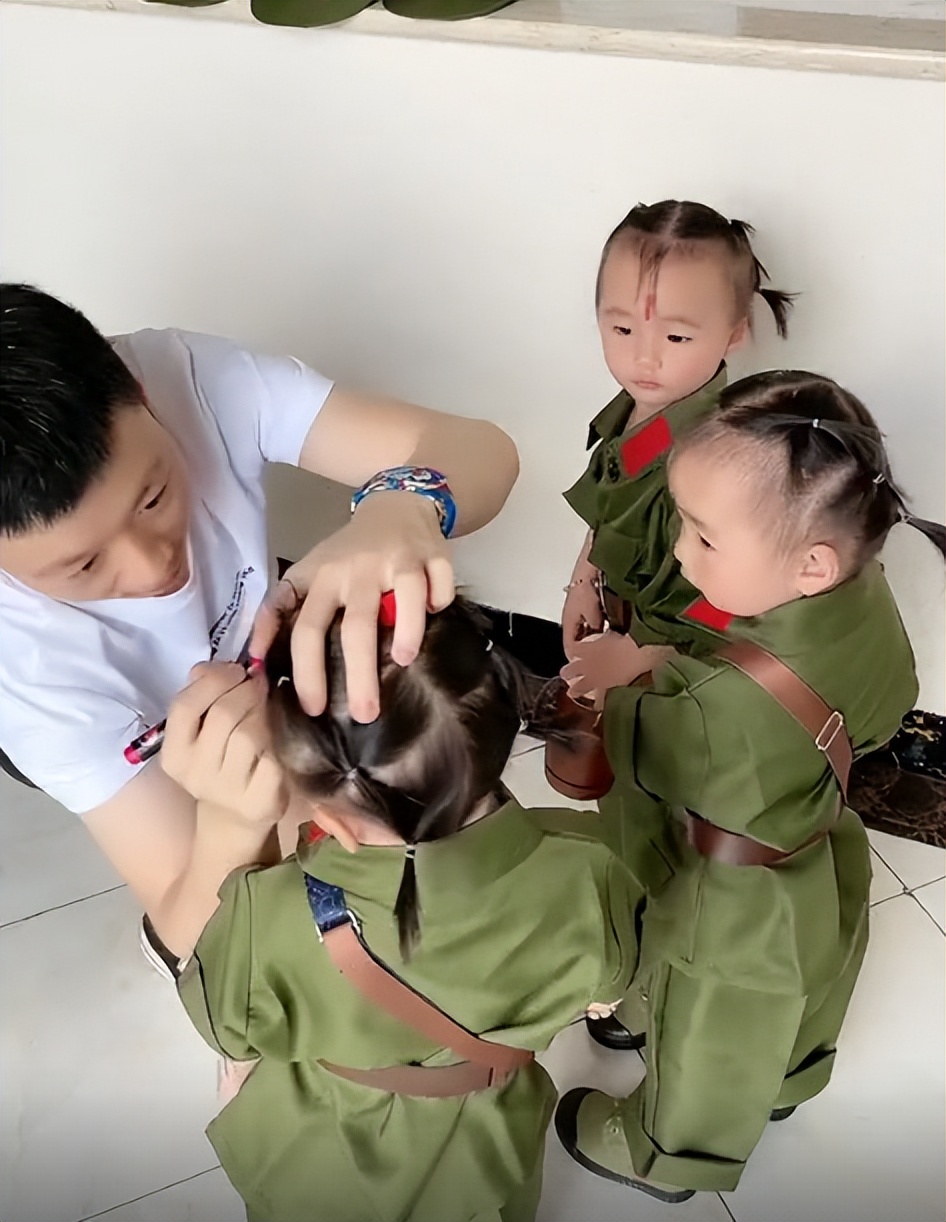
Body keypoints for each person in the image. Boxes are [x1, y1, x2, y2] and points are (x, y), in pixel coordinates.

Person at [0, 283, 519, 961]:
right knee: (250, 894)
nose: (155, 567)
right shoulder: (27, 675)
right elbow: (192, 940)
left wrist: (404, 505)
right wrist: (229, 827)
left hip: (247, 663)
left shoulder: (189, 379)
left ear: (140, 391)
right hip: (118, 727)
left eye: (153, 497)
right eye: (85, 566)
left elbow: (483, 449)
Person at [554, 371, 935, 1202]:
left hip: (730, 900)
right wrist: (668, 656)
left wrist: (624, 684)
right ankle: (790, 1079)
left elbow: (647, 758)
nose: (680, 554)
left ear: (810, 564)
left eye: (704, 538)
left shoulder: (719, 711)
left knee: (711, 1023)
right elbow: (881, 701)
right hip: (815, 838)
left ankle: (663, 1155)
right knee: (814, 973)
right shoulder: (859, 593)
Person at [175, 598, 643, 1222]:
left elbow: (221, 1022)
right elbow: (613, 977)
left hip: (322, 1147)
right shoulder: (591, 866)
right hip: (487, 1137)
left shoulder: (269, 913)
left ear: (332, 821)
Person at [554, 198, 793, 1049]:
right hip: (628, 649)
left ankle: (651, 994)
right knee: (627, 805)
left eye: (676, 336)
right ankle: (628, 944)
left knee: (671, 833)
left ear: (735, 333)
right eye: (620, 327)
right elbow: (608, 504)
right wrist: (584, 574)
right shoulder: (631, 415)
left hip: (687, 671)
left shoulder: (729, 458)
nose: (643, 357)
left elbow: (732, 607)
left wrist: (637, 658)